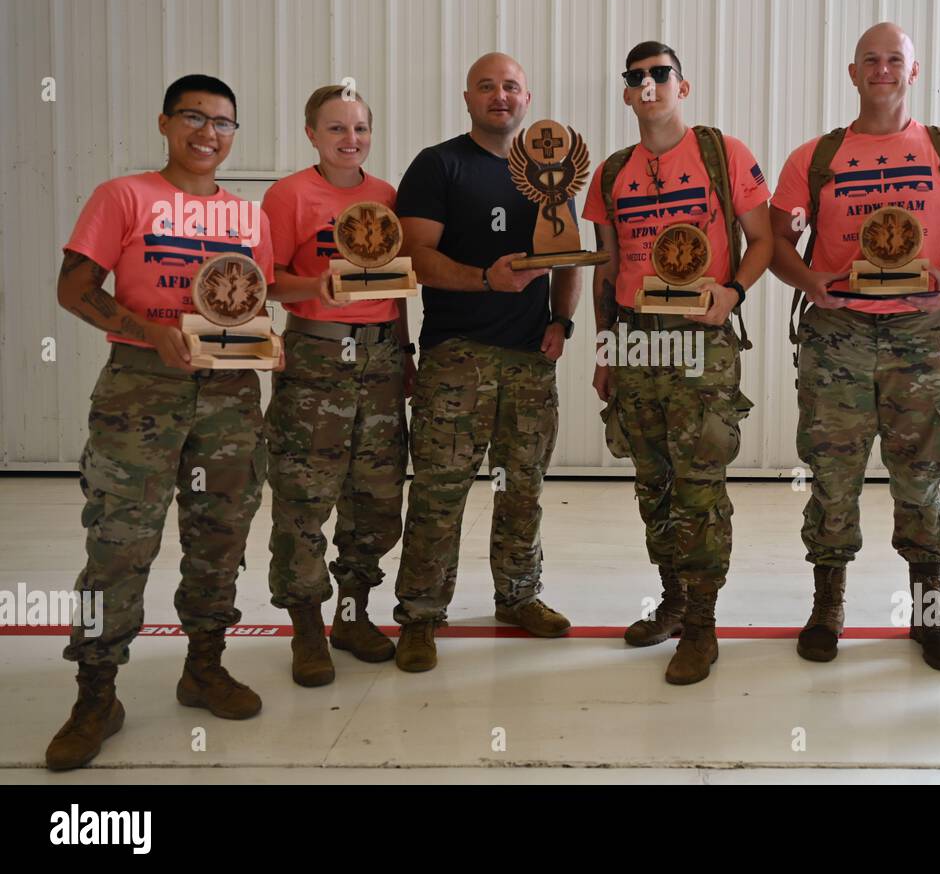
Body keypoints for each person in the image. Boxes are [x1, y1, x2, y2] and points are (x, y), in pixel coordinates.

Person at [47, 74, 275, 770]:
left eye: (223, 123)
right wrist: (148, 329)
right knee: (117, 543)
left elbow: (247, 307)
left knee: (221, 537)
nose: (208, 133)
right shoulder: (124, 197)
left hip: (229, 393)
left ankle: (203, 666)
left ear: (235, 134)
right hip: (139, 389)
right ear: (165, 122)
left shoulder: (248, 217)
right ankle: (96, 694)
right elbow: (74, 288)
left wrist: (268, 342)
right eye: (193, 118)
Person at [769, 23, 940, 671]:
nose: (882, 69)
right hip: (837, 335)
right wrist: (810, 279)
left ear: (914, 71)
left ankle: (928, 616)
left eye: (894, 59)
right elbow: (780, 242)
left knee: (920, 477)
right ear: (852, 72)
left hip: (924, 337)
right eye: (870, 59)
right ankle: (827, 609)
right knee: (833, 476)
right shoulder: (815, 158)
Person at [585, 41, 773, 685]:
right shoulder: (612, 173)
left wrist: (734, 291)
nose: (648, 84)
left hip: (700, 339)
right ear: (626, 90)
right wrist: (606, 344)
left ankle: (702, 626)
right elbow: (606, 267)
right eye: (635, 77)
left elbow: (765, 238)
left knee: (700, 487)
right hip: (637, 340)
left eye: (659, 74)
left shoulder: (723, 153)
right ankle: (672, 600)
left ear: (681, 87)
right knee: (653, 483)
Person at [392, 53, 579, 672]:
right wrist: (483, 281)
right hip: (457, 355)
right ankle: (420, 615)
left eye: (512, 87)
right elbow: (415, 256)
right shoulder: (438, 164)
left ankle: (518, 597)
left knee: (521, 489)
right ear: (467, 97)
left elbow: (569, 256)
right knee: (440, 495)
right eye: (487, 86)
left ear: (528, 98)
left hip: (530, 360)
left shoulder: (548, 173)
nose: (500, 96)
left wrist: (561, 320)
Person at [262, 84, 414, 687]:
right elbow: (263, 280)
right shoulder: (289, 195)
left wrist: (403, 352)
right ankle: (306, 629)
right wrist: (315, 286)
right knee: (304, 497)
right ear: (311, 134)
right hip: (316, 357)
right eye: (336, 129)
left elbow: (396, 281)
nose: (350, 139)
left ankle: (352, 615)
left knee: (375, 498)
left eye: (360, 128)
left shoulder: (387, 197)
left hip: (378, 357)